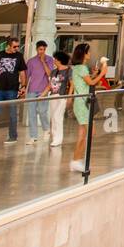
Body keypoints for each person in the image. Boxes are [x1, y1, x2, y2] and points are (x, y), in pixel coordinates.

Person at [70, 43, 103, 173]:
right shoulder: (82, 68)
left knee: (83, 133)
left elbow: (86, 82)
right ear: (83, 54)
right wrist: (102, 73)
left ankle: (76, 160)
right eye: (88, 52)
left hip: (80, 102)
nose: (90, 54)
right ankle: (76, 161)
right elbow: (91, 83)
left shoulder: (78, 68)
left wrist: (94, 75)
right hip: (83, 103)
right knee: (88, 133)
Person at [24, 40, 54, 145]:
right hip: (32, 90)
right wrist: (24, 88)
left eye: (44, 49)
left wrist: (43, 61)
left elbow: (50, 73)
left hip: (43, 90)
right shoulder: (31, 61)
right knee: (31, 114)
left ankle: (46, 129)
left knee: (42, 111)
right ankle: (33, 136)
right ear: (37, 49)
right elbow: (27, 76)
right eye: (41, 49)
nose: (42, 51)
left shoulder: (49, 60)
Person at [46, 50, 71, 147]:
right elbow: (49, 85)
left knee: (58, 117)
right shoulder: (53, 71)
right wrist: (42, 95)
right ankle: (54, 137)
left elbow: (72, 84)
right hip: (53, 95)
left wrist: (69, 97)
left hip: (62, 96)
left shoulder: (68, 70)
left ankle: (58, 138)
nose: (54, 60)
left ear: (59, 60)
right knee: (53, 117)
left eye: (55, 59)